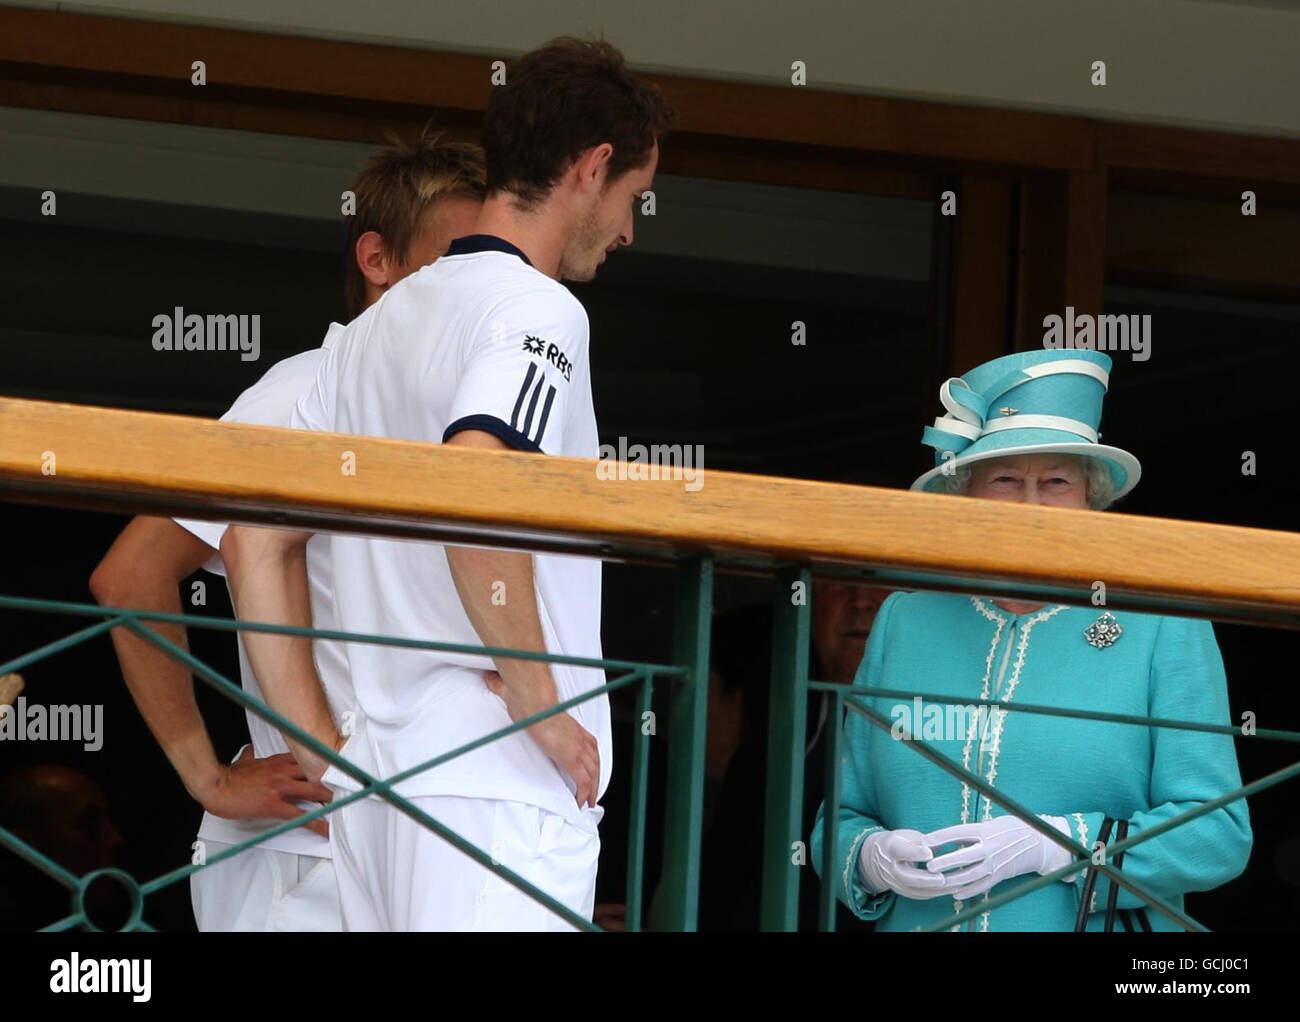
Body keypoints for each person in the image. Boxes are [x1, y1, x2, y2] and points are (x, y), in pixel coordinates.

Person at [219, 37, 673, 931]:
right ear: (593, 167)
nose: (627, 230)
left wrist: (327, 749)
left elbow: (252, 541)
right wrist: (542, 709)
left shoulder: (370, 331)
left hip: (376, 785)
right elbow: (476, 487)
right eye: (633, 201)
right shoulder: (538, 309)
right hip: (490, 787)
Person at [88, 131, 485, 931]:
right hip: (310, 859)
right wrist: (208, 776)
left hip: (423, 847)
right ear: (377, 259)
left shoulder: (465, 413)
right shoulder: (309, 389)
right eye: (455, 260)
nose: (476, 288)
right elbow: (130, 575)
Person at [812, 348, 1252, 931]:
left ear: (1091, 502)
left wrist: (1067, 846)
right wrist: (868, 859)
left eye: (1056, 481)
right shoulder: (905, 622)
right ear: (966, 497)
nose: (1030, 504)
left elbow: (1217, 834)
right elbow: (840, 820)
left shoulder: (1160, 627)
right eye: (1004, 480)